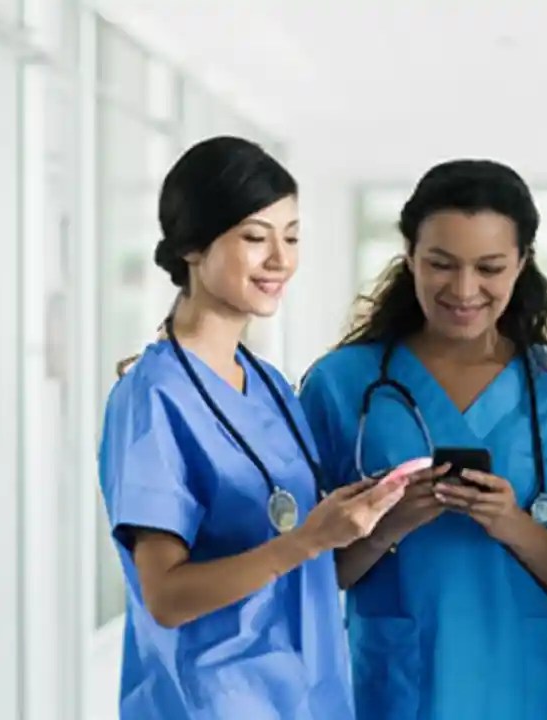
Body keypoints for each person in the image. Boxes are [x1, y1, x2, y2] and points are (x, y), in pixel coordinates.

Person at [297, 159, 547, 720]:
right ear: (409, 255)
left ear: (522, 264)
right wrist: (386, 528)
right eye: (441, 264)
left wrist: (515, 526)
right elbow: (304, 579)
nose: (464, 289)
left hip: (544, 697)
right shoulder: (342, 386)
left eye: (490, 267)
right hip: (403, 694)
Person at [98, 136, 408, 720]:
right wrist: (308, 538)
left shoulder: (266, 384)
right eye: (254, 237)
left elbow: (302, 551)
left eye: (291, 237)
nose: (280, 259)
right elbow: (165, 596)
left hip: (308, 694)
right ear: (193, 246)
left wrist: (371, 517)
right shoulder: (152, 396)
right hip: (213, 702)